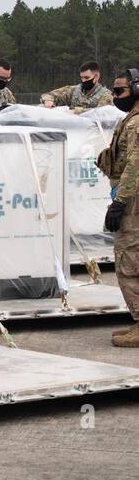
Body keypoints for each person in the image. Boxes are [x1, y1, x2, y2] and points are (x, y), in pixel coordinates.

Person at [101, 69, 139, 347]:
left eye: (120, 91)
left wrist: (120, 203)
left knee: (128, 260)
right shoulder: (131, 118)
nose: (116, 97)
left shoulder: (137, 123)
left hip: (133, 201)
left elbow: (135, 166)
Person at [40, 60, 113, 111]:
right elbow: (50, 95)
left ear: (96, 76)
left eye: (87, 78)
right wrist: (48, 101)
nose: (83, 81)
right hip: (73, 129)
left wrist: (76, 111)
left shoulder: (106, 95)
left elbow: (101, 113)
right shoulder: (74, 90)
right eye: (82, 78)